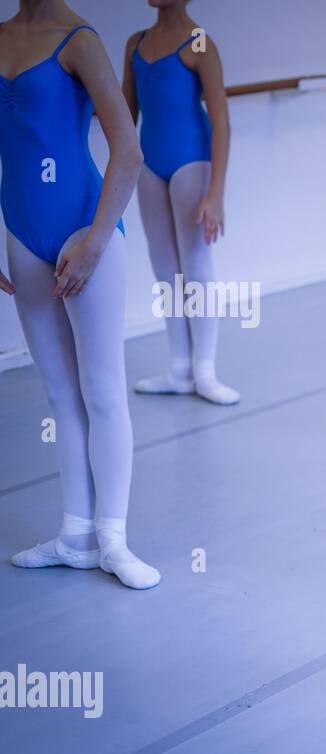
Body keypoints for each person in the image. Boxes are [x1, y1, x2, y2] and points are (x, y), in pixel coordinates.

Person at [0, 0, 159, 588]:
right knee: (59, 394)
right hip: (23, 229)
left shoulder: (79, 39)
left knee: (101, 391)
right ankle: (73, 535)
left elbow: (130, 149)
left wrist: (95, 241)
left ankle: (113, 539)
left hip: (84, 225)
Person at [127, 0, 237, 405]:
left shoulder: (200, 44)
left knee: (195, 263)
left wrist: (216, 194)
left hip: (192, 160)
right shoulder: (135, 44)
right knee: (164, 266)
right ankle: (179, 368)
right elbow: (124, 112)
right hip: (148, 164)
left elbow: (222, 119)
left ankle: (205, 370)